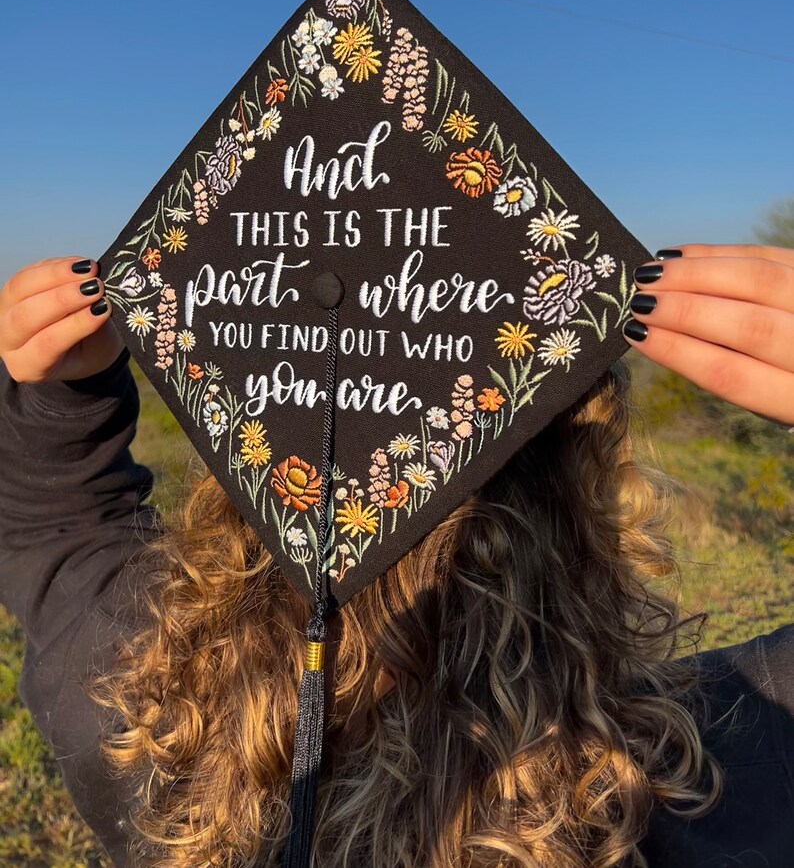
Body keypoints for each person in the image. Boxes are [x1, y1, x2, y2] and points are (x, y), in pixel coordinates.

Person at [0, 243, 792, 868]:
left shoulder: (136, 706)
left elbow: (54, 528)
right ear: (570, 497)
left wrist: (65, 397)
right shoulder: (695, 776)